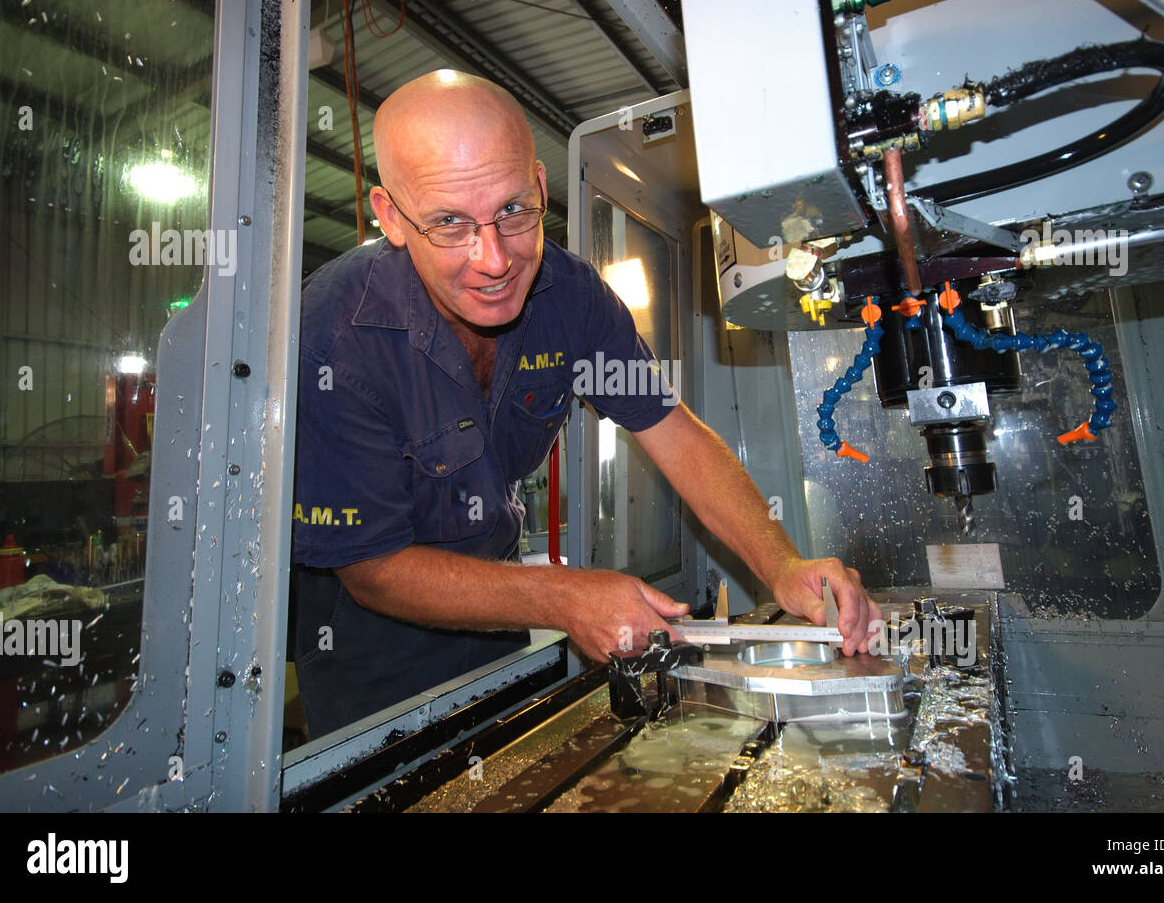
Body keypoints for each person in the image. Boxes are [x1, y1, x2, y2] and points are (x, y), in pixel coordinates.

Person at [290, 69, 883, 737]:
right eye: (449, 223)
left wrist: (783, 564)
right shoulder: (333, 337)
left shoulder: (570, 298)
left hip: (498, 622)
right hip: (370, 660)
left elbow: (674, 432)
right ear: (392, 217)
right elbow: (371, 569)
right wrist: (563, 595)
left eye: (514, 210)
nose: (494, 260)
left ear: (541, 185)